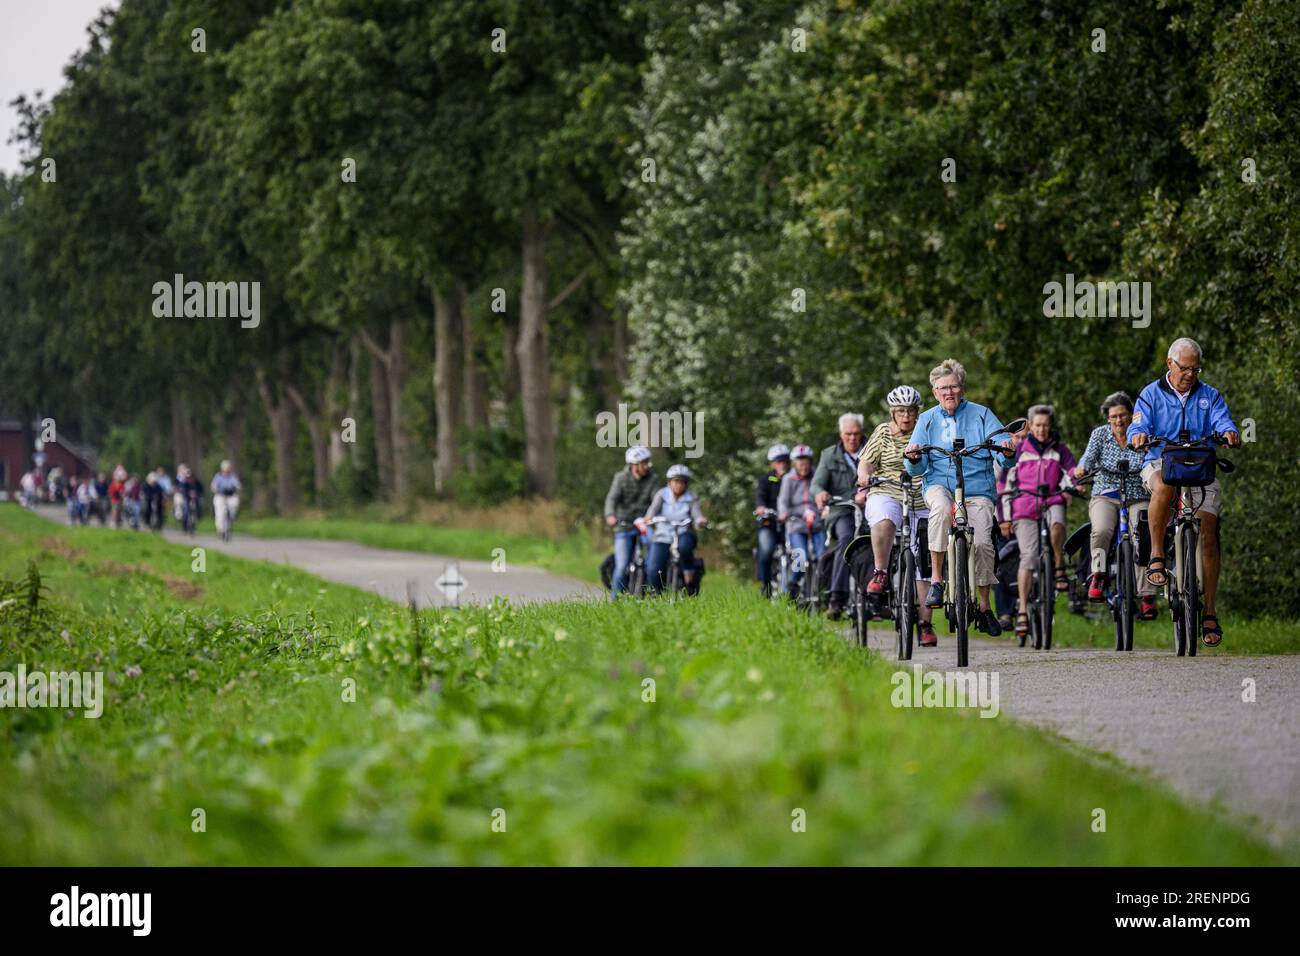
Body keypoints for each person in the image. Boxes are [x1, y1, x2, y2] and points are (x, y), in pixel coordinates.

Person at [1128, 337, 1240, 646]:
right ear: (1170, 364)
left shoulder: (1210, 395)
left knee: (1208, 530)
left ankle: (1210, 612)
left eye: (1196, 368)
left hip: (1200, 466)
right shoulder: (1150, 395)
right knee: (1163, 484)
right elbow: (1137, 426)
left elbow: (1223, 419)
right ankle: (1156, 556)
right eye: (1185, 368)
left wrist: (1229, 432)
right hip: (1160, 461)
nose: (1190, 374)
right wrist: (1137, 436)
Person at [904, 358, 1015, 636]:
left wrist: (1006, 449)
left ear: (962, 388)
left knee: (982, 542)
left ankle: (985, 606)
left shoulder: (981, 414)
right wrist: (914, 458)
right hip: (939, 484)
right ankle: (938, 581)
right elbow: (914, 463)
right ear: (935, 392)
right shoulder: (927, 419)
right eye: (942, 388)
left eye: (953, 386)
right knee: (940, 510)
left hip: (977, 488)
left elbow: (1003, 451)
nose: (949, 392)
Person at [855, 386, 938, 646]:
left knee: (924, 557)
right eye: (901, 411)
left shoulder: (927, 431)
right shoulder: (882, 432)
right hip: (887, 490)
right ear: (893, 412)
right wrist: (864, 474)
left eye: (911, 411)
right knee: (883, 518)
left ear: (917, 412)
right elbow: (866, 461)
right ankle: (880, 572)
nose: (906, 416)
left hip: (920, 496)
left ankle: (925, 623)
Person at [1073, 391, 1157, 619]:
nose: (1119, 421)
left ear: (1131, 415)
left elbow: (1153, 458)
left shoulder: (1142, 434)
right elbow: (1087, 459)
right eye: (1113, 417)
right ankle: (1098, 574)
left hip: (1138, 494)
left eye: (1123, 415)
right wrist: (1081, 469)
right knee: (1101, 529)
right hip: (1106, 494)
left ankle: (1147, 595)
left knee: (1142, 535)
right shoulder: (1099, 435)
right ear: (1107, 418)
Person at [1003, 404, 1078, 639]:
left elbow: (1073, 472)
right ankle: (1023, 610)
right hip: (1024, 506)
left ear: (1051, 426)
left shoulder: (1060, 450)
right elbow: (1004, 485)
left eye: (1046, 425)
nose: (1042, 429)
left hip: (1052, 499)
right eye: (1037, 425)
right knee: (1029, 556)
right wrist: (1005, 517)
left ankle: (1057, 566)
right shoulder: (1018, 450)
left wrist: (1074, 486)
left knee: (1057, 525)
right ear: (1030, 426)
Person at [811, 413, 867, 619]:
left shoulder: (873, 448)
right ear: (841, 434)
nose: (852, 438)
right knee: (846, 539)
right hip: (841, 510)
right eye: (848, 434)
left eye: (856, 434)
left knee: (884, 540)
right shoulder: (829, 455)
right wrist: (819, 493)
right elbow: (816, 484)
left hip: (869, 509)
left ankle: (881, 595)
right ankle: (837, 597)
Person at [643, 464, 706, 594]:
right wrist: (648, 518)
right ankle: (656, 594)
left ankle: (689, 576)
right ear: (669, 482)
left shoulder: (691, 497)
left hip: (683, 531)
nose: (679, 485)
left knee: (685, 547)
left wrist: (700, 520)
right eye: (676, 481)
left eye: (682, 482)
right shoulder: (662, 495)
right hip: (663, 533)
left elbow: (696, 514)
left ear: (686, 484)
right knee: (654, 567)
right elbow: (653, 510)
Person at [604, 446, 657, 595]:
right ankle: (615, 601)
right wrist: (610, 515)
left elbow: (656, 500)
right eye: (643, 463)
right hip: (624, 525)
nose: (647, 466)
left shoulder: (653, 479)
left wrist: (653, 516)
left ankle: (653, 589)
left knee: (655, 547)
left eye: (647, 462)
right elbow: (612, 499)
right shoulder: (620, 478)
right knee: (621, 567)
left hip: (645, 524)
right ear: (634, 465)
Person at [778, 444, 825, 599]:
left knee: (822, 555)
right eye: (800, 462)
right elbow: (783, 501)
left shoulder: (817, 476)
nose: (803, 466)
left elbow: (824, 496)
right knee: (800, 555)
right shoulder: (788, 479)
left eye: (806, 462)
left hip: (817, 523)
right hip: (796, 524)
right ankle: (793, 584)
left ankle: (822, 588)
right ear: (794, 463)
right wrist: (784, 513)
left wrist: (823, 509)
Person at [754, 444, 791, 595]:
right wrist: (761, 507)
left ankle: (801, 587)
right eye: (778, 461)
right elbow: (760, 497)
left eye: (784, 460)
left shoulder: (794, 478)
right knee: (766, 549)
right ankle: (765, 584)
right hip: (769, 523)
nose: (781, 464)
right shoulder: (765, 480)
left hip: (791, 524)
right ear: (772, 463)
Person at [211, 460, 242, 539]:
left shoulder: (233, 477)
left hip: (230, 496)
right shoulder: (218, 476)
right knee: (220, 513)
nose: (226, 470)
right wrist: (217, 490)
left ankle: (231, 519)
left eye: (228, 469)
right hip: (220, 496)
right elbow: (213, 486)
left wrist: (234, 488)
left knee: (234, 505)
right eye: (225, 469)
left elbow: (238, 485)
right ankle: (220, 529)